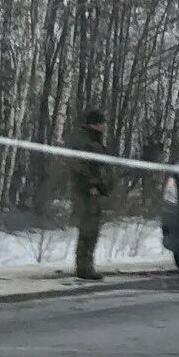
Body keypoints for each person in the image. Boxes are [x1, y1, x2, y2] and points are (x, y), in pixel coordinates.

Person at [67, 109, 112, 280]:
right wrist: (93, 185)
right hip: (87, 193)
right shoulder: (86, 142)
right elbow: (81, 167)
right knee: (88, 229)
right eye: (102, 123)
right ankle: (84, 267)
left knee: (92, 229)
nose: (104, 126)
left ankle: (86, 266)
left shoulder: (95, 141)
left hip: (94, 192)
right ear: (95, 125)